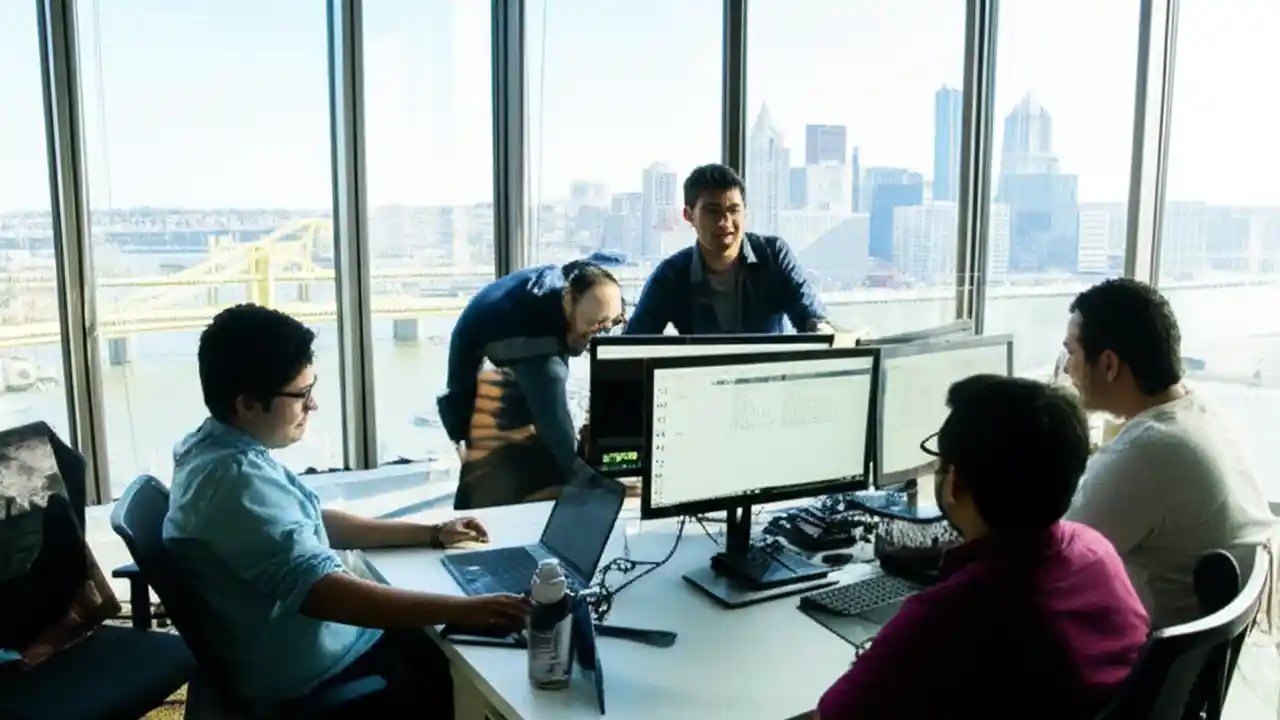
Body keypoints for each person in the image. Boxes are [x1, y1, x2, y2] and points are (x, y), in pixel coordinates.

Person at [164, 304, 530, 716]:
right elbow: (325, 594)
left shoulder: (213, 446)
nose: (313, 405)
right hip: (316, 676)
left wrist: (429, 532)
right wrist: (472, 610)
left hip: (298, 650)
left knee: (446, 627)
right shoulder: (236, 484)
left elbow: (308, 519)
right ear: (248, 404)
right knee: (475, 665)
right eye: (301, 394)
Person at [817, 375, 1149, 720]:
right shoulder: (1097, 553)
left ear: (954, 484)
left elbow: (835, 713)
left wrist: (893, 654)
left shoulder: (955, 612)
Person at [1062, 278, 1277, 629]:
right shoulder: (1204, 416)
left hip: (1139, 663)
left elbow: (1056, 563)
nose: (1067, 368)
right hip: (1192, 663)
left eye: (1072, 352)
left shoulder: (1145, 452)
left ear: (1109, 364)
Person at [438, 257, 625, 508]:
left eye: (609, 323)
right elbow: (555, 423)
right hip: (486, 344)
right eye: (593, 326)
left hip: (501, 318)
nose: (601, 332)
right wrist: (595, 484)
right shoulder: (536, 346)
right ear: (568, 300)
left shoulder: (575, 287)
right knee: (547, 451)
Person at [625, 163, 835, 335]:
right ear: (688, 215)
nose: (725, 222)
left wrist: (822, 330)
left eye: (734, 210)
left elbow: (812, 318)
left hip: (769, 379)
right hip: (703, 381)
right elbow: (634, 342)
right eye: (712, 211)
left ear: (745, 213)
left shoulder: (773, 255)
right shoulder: (672, 275)